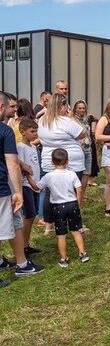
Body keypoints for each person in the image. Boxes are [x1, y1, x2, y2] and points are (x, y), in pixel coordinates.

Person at [0, 92, 45, 281]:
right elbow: (11, 162)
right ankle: (22, 264)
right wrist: (17, 191)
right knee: (15, 223)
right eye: (11, 106)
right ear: (1, 107)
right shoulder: (5, 130)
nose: (14, 109)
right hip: (2, 187)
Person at [38, 94, 86, 233]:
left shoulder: (42, 121)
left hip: (49, 160)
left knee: (49, 193)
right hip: (70, 161)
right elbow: (82, 133)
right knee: (73, 193)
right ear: (61, 106)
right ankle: (76, 224)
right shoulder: (66, 121)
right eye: (66, 105)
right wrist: (72, 118)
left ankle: (49, 224)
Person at [35, 149, 89, 267]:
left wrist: (28, 177)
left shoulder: (48, 176)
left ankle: (64, 258)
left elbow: (37, 187)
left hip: (58, 206)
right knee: (75, 230)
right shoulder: (72, 174)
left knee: (61, 234)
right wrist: (78, 202)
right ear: (68, 161)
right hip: (72, 204)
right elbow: (79, 189)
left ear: (51, 162)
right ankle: (82, 253)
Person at [16, 118, 42, 258]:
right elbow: (23, 168)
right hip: (27, 185)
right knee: (29, 215)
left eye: (36, 131)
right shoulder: (21, 147)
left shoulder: (33, 147)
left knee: (32, 216)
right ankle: (23, 246)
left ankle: (26, 244)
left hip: (35, 185)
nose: (35, 134)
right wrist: (31, 181)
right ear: (23, 132)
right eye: (32, 131)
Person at [72, 100, 94, 200]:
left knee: (87, 172)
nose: (81, 110)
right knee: (78, 173)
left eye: (83, 108)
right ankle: (76, 194)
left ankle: (82, 194)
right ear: (75, 109)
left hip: (87, 148)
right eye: (79, 108)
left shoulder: (85, 119)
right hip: (78, 149)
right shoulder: (72, 120)